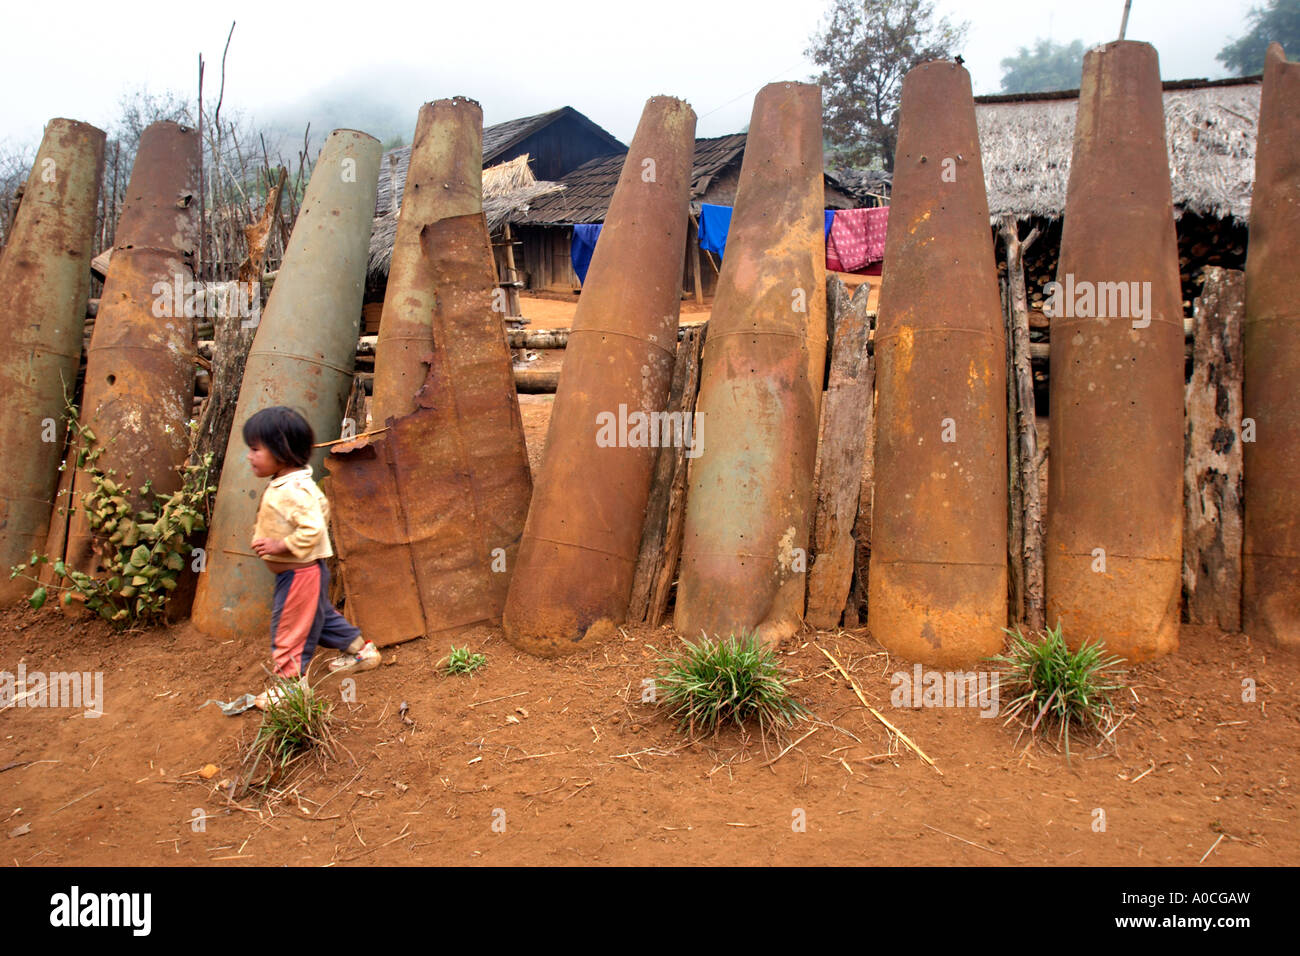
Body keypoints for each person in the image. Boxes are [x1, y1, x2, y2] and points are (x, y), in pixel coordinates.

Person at [243, 406, 379, 709]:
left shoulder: (292, 490)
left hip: (298, 575)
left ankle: (291, 689)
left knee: (290, 628)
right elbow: (322, 512)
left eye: (255, 449)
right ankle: (361, 652)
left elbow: (315, 529)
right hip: (308, 572)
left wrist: (282, 546)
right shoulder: (297, 483)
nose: (249, 456)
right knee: (322, 619)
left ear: (281, 451)